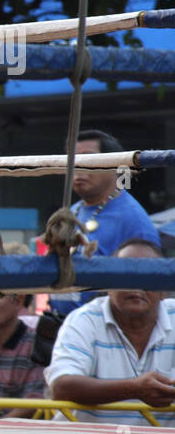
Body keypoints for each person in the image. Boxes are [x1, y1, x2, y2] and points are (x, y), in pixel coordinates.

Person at [46, 239, 175, 425]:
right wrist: (134, 388)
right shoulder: (84, 319)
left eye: (148, 277)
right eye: (127, 276)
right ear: (108, 285)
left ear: (164, 290)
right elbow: (61, 386)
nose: (137, 286)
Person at [47, 130, 160, 317]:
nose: (79, 169)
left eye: (89, 161)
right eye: (73, 161)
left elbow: (149, 292)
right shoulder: (71, 212)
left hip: (103, 332)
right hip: (56, 326)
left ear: (114, 165)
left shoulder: (133, 220)